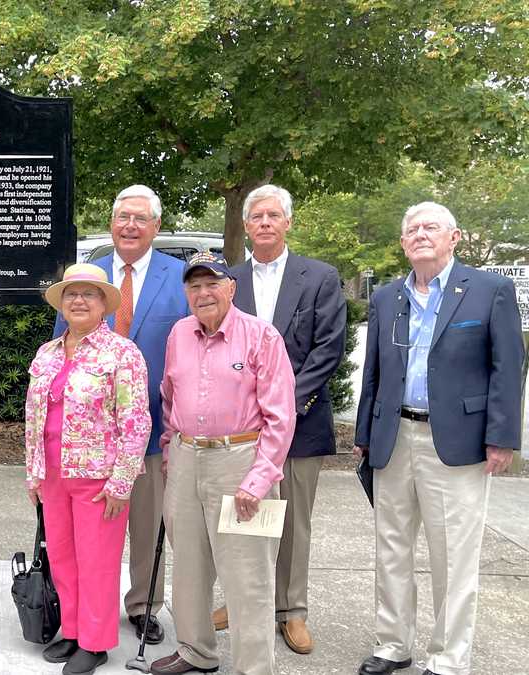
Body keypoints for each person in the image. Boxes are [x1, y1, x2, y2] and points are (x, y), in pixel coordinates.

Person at [353, 202, 523, 675]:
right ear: (403, 243)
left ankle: (448, 658)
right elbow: (375, 371)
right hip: (394, 436)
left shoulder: (490, 291)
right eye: (412, 229)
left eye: (431, 227)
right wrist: (365, 432)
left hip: (458, 442)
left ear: (454, 237)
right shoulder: (387, 297)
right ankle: (392, 644)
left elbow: (508, 368)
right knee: (391, 547)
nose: (420, 234)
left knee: (453, 554)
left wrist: (502, 437)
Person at [212, 185, 346, 655]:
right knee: (245, 516)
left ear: (288, 223)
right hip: (242, 426)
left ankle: (292, 610)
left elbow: (329, 348)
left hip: (302, 421)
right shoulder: (228, 281)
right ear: (246, 226)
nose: (265, 222)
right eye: (257, 216)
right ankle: (245, 601)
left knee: (292, 521)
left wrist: (285, 404)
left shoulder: (321, 277)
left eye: (274, 215)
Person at [150, 253, 295, 675]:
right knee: (189, 568)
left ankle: (254, 668)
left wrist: (259, 477)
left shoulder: (261, 336)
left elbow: (281, 418)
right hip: (186, 458)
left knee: (248, 577)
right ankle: (197, 652)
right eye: (194, 286)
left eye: (212, 283)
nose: (203, 293)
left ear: (231, 287)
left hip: (242, 462)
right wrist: (169, 446)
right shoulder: (179, 333)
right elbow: (168, 394)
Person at [56, 184, 188, 645]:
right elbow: (63, 343)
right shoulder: (90, 272)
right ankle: (91, 610)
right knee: (90, 531)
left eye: (140, 219)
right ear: (112, 224)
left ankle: (143, 605)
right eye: (123, 217)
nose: (130, 226)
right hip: (87, 438)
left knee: (147, 520)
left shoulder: (179, 276)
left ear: (155, 226)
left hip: (149, 428)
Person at [32, 262, 151, 675]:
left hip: (98, 477)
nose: (79, 300)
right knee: (62, 556)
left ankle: (96, 642)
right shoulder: (46, 353)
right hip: (52, 474)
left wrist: (122, 482)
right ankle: (72, 628)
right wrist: (33, 472)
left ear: (104, 304)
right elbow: (33, 416)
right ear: (61, 303)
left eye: (89, 294)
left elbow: (136, 421)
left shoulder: (121, 353)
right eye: (71, 294)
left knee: (96, 561)